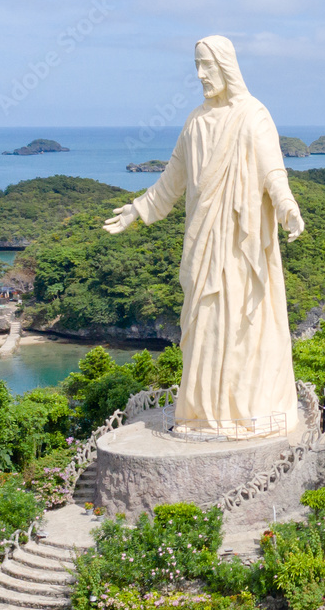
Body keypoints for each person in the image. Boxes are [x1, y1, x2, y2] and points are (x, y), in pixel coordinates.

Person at [104, 35, 304, 431]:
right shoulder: (195, 122)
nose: (200, 75)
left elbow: (272, 173)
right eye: (196, 65)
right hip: (203, 246)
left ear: (226, 66)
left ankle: (242, 410)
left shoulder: (253, 116)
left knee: (240, 328)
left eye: (207, 66)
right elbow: (170, 181)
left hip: (239, 251)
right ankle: (202, 414)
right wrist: (137, 210)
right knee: (204, 328)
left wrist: (287, 208)